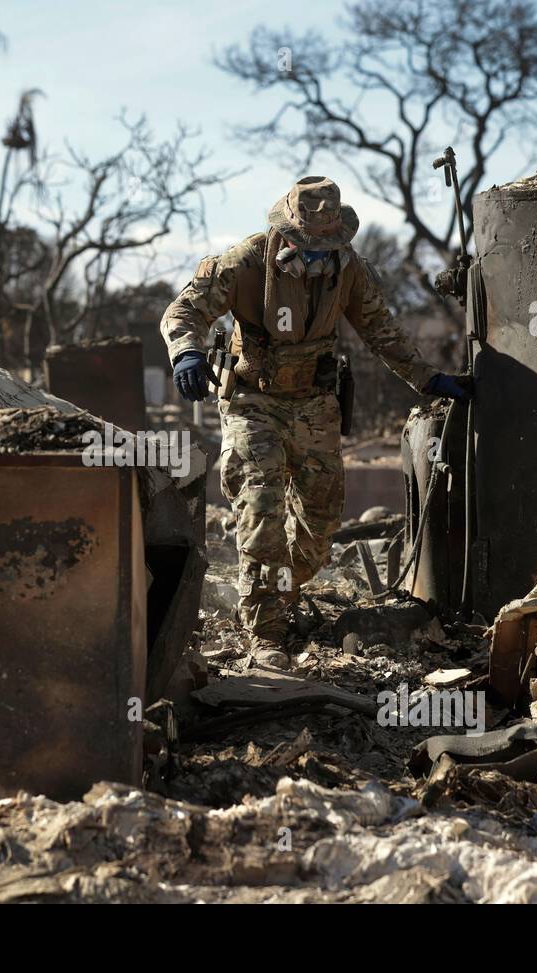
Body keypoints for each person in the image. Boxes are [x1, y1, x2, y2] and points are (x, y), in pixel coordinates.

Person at [160, 176, 471, 667]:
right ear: (286, 234)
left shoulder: (347, 269)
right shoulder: (244, 261)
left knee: (319, 529)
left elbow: (381, 331)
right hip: (253, 402)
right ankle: (266, 633)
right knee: (261, 506)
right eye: (306, 245)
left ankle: (281, 590)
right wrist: (187, 352)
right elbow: (184, 310)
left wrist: (429, 379)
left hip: (315, 404)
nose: (315, 255)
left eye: (326, 245)